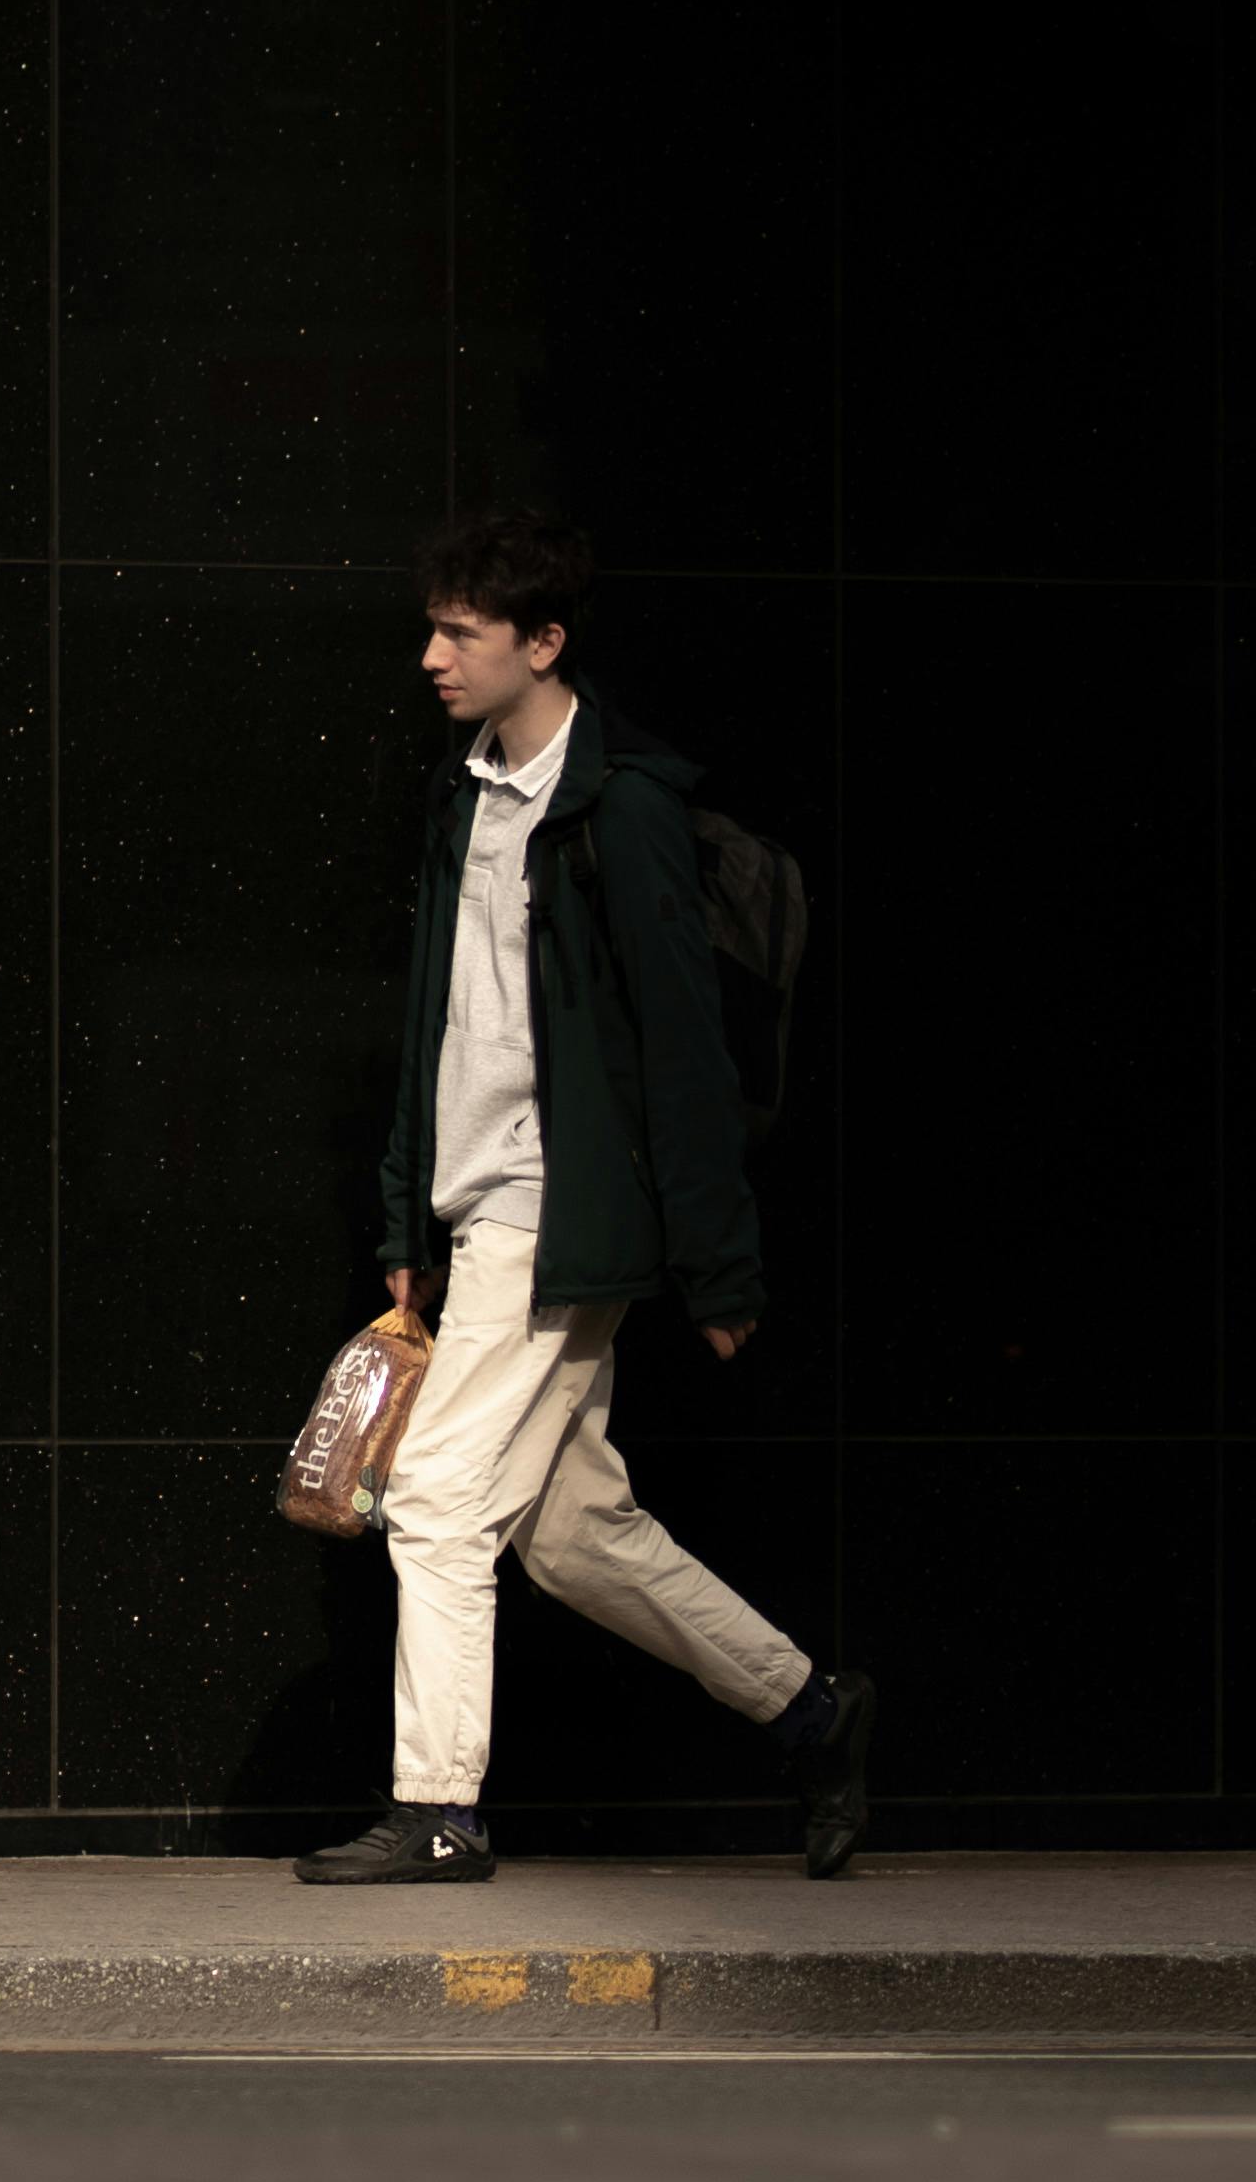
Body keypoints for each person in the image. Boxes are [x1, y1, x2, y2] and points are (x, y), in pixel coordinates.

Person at [298, 509, 873, 1891]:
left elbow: (679, 1052)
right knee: (569, 1534)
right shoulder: (464, 792)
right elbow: (439, 1022)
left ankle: (436, 1809)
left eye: (461, 632)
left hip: (560, 1217)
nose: (432, 655)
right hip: (475, 1207)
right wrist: (401, 1222)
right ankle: (810, 1709)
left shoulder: (622, 810)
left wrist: (718, 1269)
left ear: (541, 642)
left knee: (433, 1507)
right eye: (431, 627)